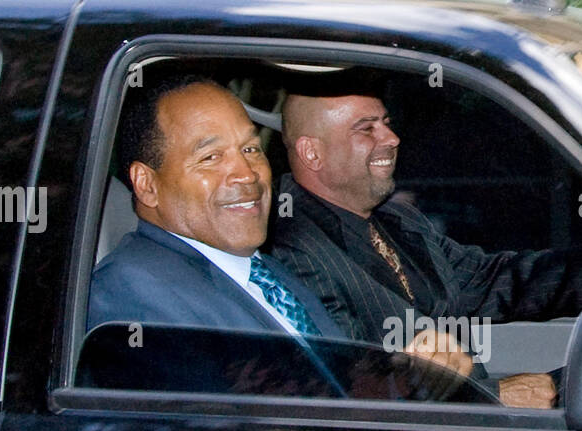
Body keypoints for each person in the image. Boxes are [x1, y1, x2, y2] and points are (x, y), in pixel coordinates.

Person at [266, 80, 582, 408]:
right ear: (311, 152)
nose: (392, 139)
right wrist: (494, 397)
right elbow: (351, 386)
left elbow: (484, 280)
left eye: (387, 124)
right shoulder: (293, 248)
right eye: (367, 129)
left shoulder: (396, 220)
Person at [88, 75, 470, 380]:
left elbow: (333, 387)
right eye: (211, 157)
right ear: (146, 184)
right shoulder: (129, 295)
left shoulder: (267, 273)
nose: (246, 173)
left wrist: (407, 379)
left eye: (251, 149)